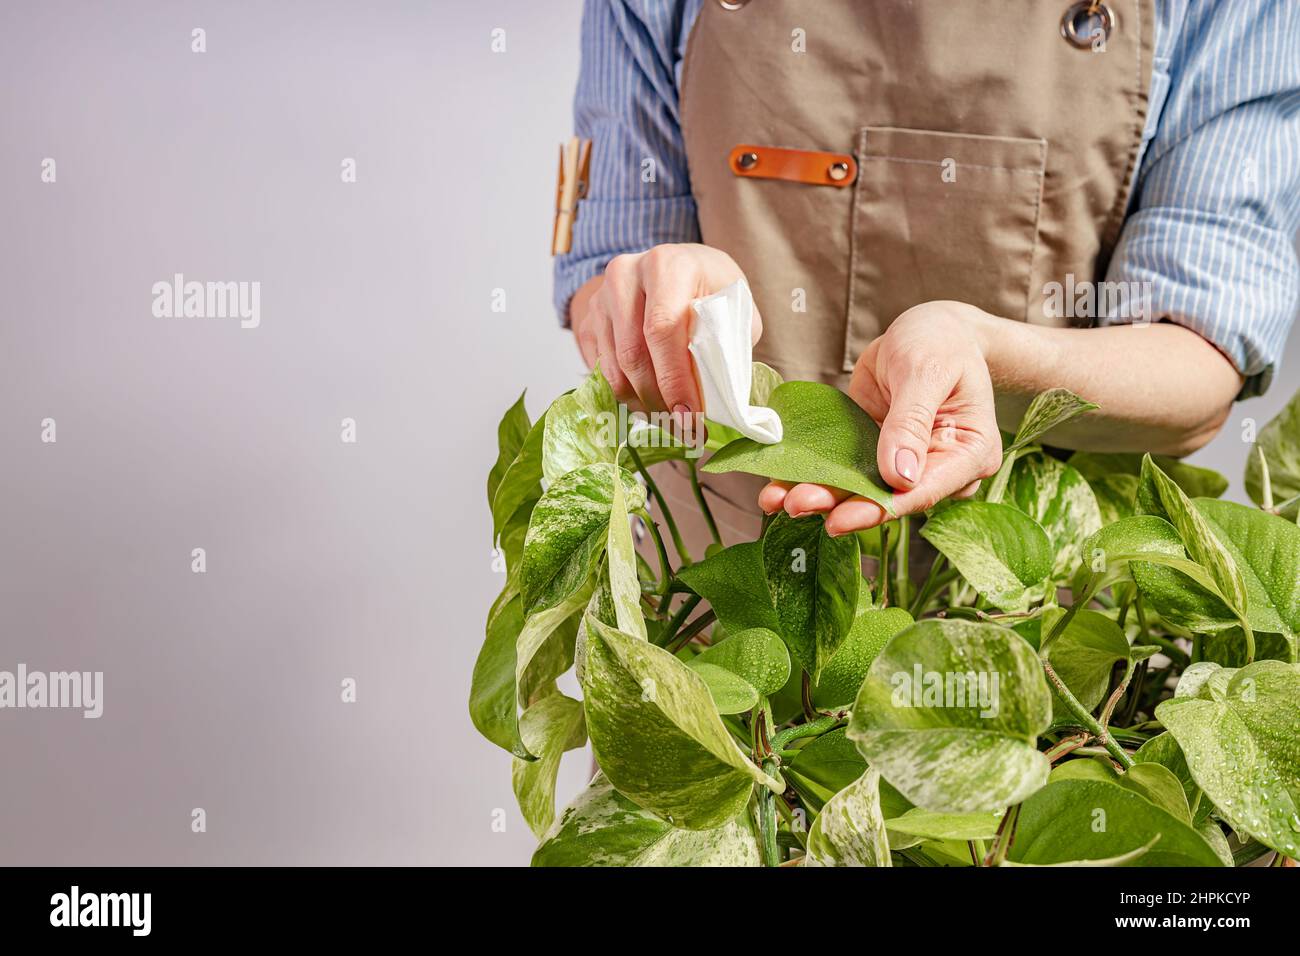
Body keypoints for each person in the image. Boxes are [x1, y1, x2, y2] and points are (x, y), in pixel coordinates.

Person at [554, 0, 1300, 545]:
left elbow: (1200, 364)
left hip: (1033, 641)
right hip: (723, 607)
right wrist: (664, 299)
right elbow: (604, 278)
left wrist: (981, 350)